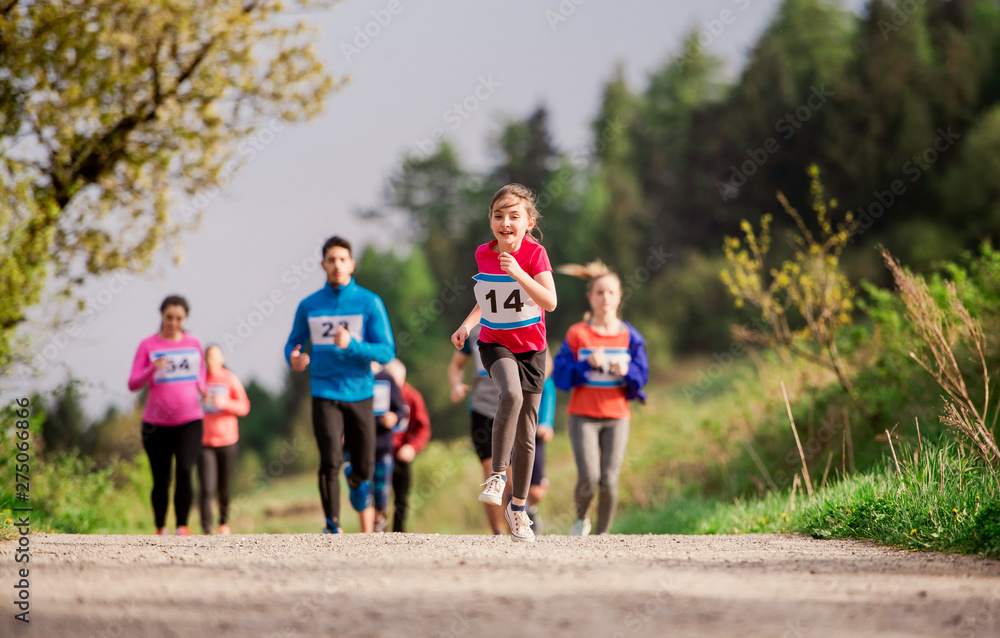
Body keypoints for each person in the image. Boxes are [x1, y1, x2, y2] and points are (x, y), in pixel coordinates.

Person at [451, 183, 557, 543]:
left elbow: (550, 301)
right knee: (510, 395)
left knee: (528, 430)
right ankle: (497, 476)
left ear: (529, 222)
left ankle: (519, 508)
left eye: (514, 216)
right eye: (499, 215)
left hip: (532, 350)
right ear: (491, 221)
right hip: (496, 344)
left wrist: (519, 273)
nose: (505, 222)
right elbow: (488, 300)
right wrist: (467, 326)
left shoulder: (535, 255)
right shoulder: (484, 254)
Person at [284, 236, 395, 534]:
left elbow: (387, 351)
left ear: (351, 264)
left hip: (360, 390)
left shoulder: (369, 302)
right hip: (324, 390)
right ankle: (332, 525)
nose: (337, 265)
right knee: (330, 459)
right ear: (323, 265)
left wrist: (354, 344)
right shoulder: (309, 305)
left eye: (342, 259)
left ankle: (357, 481)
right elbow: (293, 343)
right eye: (331, 260)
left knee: (364, 466)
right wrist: (293, 357)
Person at [553, 260, 649, 536]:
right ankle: (581, 520)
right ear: (590, 297)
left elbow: (642, 376)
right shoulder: (577, 334)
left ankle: (602, 537)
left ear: (619, 297)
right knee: (589, 477)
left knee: (608, 479)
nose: (605, 298)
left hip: (618, 416)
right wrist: (585, 366)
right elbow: (560, 377)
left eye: (611, 292)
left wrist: (627, 370)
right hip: (582, 416)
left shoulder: (630, 336)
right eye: (599, 293)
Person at [128, 295, 207, 536]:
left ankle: (182, 526)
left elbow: (200, 374)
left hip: (190, 420)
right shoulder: (148, 345)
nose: (173, 323)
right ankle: (160, 527)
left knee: (184, 470)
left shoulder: (194, 343)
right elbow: (133, 383)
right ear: (161, 317)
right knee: (161, 478)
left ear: (185, 319)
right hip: (155, 424)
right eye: (169, 317)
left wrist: (203, 388)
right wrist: (152, 368)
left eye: (179, 318)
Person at [447, 324, 508, 535]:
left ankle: (516, 526)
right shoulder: (474, 331)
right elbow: (456, 365)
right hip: (482, 407)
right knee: (491, 472)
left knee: (511, 474)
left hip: (512, 406)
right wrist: (456, 384)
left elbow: (546, 363)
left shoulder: (518, 318)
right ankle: (498, 533)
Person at [198, 344, 250, 535]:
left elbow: (244, 407)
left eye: (215, 356)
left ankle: (223, 524)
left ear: (221, 359)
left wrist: (225, 403)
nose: (211, 359)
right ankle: (206, 530)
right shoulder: (199, 380)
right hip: (204, 442)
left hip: (228, 440)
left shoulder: (229, 378)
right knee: (206, 487)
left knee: (224, 487)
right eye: (208, 356)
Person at [356, 362, 406, 533]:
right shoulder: (355, 376)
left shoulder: (387, 379)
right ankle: (368, 531)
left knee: (382, 492)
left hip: (383, 445)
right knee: (363, 490)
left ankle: (379, 524)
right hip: (360, 446)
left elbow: (401, 410)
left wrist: (393, 417)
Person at [385, 358, 431, 533]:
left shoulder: (412, 397)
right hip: (380, 454)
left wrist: (412, 447)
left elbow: (423, 428)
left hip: (401, 455)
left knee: (402, 499)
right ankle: (374, 532)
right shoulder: (377, 394)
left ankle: (398, 532)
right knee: (377, 497)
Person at [526, 352, 556, 533]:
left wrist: (546, 424)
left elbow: (549, 402)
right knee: (511, 479)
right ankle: (516, 511)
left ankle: (531, 509)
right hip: (514, 434)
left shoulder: (547, 382)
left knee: (537, 490)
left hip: (536, 435)